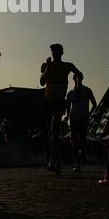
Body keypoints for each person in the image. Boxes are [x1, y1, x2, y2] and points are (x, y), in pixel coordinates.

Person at [39, 43, 79, 173]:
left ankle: (54, 159)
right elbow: (42, 82)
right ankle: (53, 158)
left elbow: (79, 73)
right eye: (53, 51)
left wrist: (77, 85)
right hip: (49, 100)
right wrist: (48, 67)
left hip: (58, 100)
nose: (54, 53)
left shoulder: (67, 66)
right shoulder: (47, 66)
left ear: (61, 52)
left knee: (54, 128)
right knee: (51, 132)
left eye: (56, 51)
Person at [66, 72, 96, 171]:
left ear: (82, 78)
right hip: (75, 119)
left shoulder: (87, 91)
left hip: (82, 119)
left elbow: (94, 104)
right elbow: (68, 107)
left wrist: (89, 114)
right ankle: (77, 162)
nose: (78, 79)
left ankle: (80, 159)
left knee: (81, 140)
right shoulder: (71, 93)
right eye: (76, 77)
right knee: (75, 141)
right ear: (74, 78)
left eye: (79, 77)